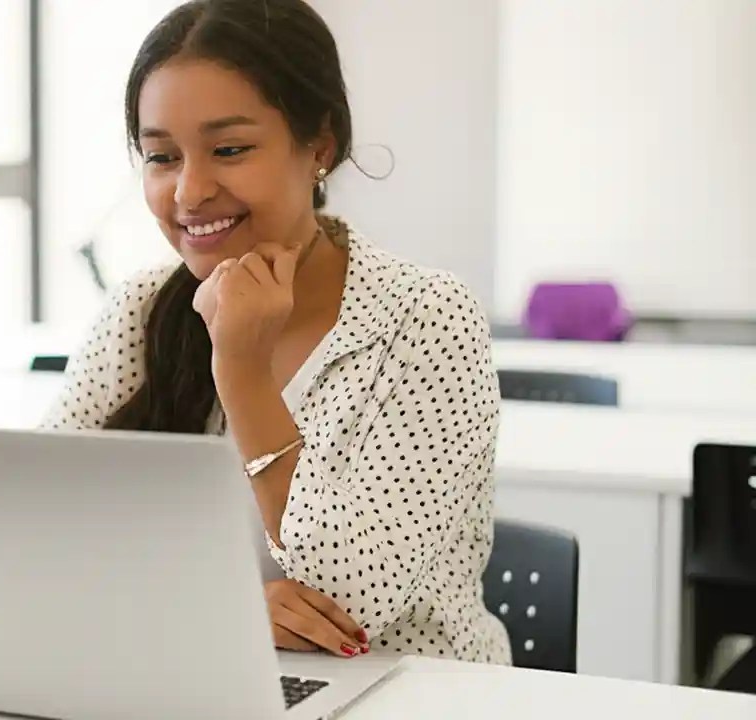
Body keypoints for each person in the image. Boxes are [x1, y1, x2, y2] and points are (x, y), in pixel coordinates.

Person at [41, 0, 511, 665]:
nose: (189, 191)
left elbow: (351, 598)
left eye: (229, 149)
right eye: (161, 157)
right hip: (200, 681)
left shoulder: (428, 317)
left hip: (408, 693)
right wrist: (212, 613)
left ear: (318, 145)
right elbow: (36, 535)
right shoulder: (143, 307)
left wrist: (241, 372)